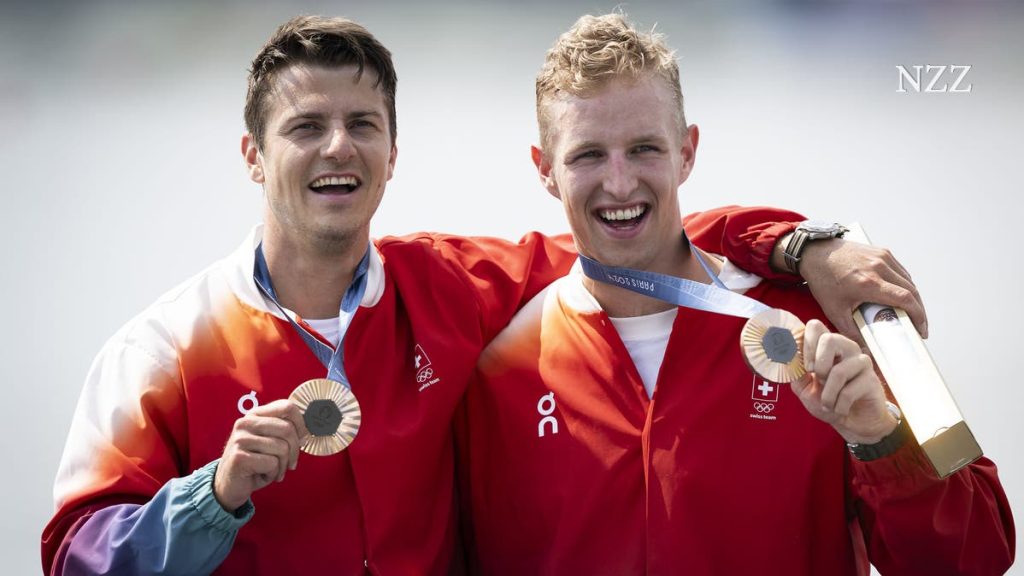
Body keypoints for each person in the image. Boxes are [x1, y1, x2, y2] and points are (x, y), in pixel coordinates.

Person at [41, 15, 929, 576]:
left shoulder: (451, 290)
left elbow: (629, 238)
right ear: (252, 156)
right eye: (305, 127)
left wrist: (806, 243)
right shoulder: (161, 349)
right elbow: (72, 558)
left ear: (394, 153)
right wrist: (214, 498)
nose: (336, 148)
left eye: (363, 126)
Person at [455, 13, 1015, 576]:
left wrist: (880, 439)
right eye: (588, 155)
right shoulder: (497, 366)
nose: (620, 183)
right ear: (545, 169)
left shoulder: (820, 329)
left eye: (645, 148)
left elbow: (977, 557)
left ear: (688, 151)